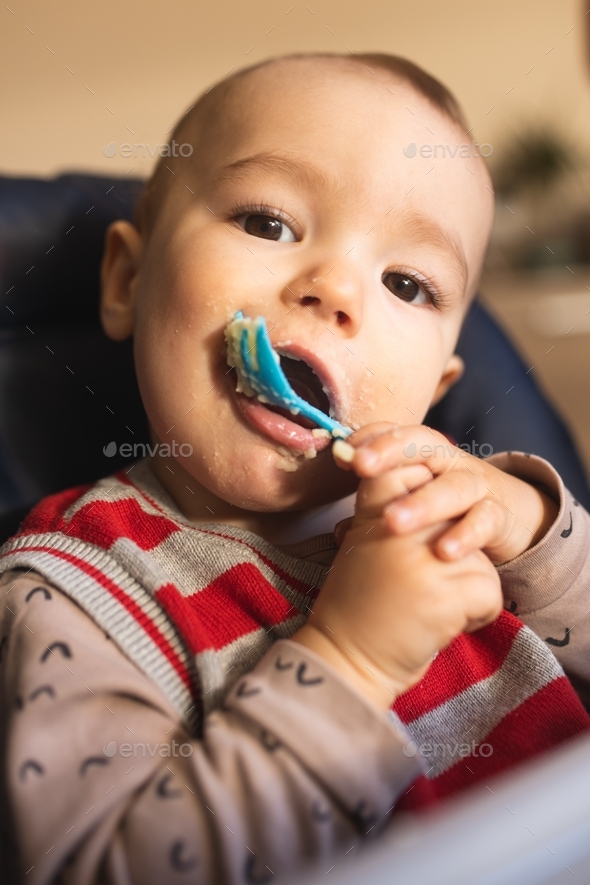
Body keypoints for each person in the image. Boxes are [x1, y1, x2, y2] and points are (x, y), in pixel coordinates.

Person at [1, 52, 590, 885]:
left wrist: (537, 533)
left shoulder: (468, 519)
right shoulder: (75, 589)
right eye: (268, 223)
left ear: (436, 390)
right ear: (129, 279)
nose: (337, 287)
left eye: (408, 283)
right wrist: (352, 659)